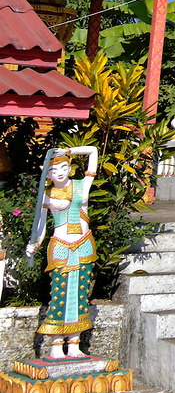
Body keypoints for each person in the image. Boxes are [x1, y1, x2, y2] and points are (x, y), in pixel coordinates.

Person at [26, 146, 99, 359]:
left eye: (64, 167)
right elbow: (40, 225)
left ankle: (75, 344)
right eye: (54, 170)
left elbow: (93, 152)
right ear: (47, 175)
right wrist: (35, 245)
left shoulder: (81, 185)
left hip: (84, 244)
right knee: (60, 294)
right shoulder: (46, 195)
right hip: (60, 245)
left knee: (80, 293)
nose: (59, 172)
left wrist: (69, 149)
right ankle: (56, 345)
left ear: (70, 168)